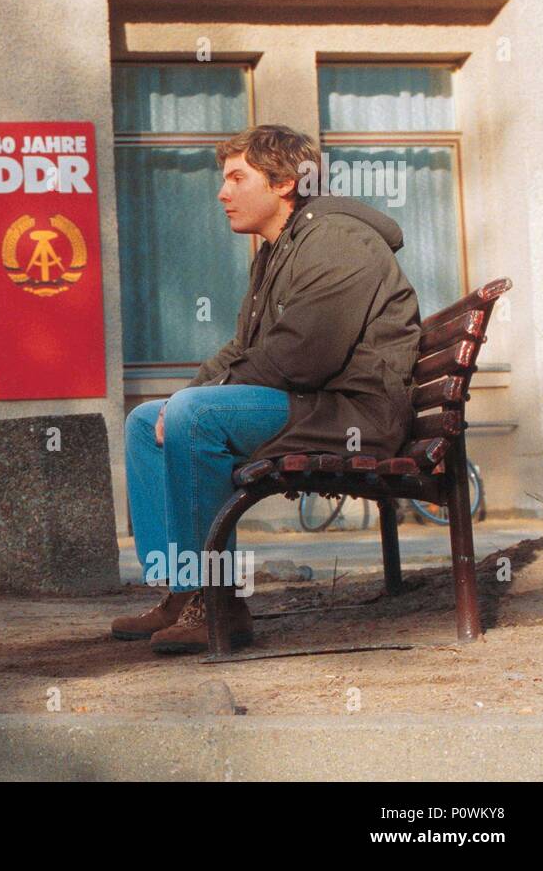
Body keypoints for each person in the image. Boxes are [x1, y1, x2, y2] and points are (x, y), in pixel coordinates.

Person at [111, 124, 421, 654]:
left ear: (283, 183)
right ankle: (185, 589)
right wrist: (184, 397)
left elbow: (301, 355)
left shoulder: (339, 240)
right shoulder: (279, 250)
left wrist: (188, 405)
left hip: (353, 414)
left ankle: (218, 602)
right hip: (311, 403)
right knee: (145, 421)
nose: (222, 193)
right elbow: (242, 349)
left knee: (193, 416)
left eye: (237, 178)